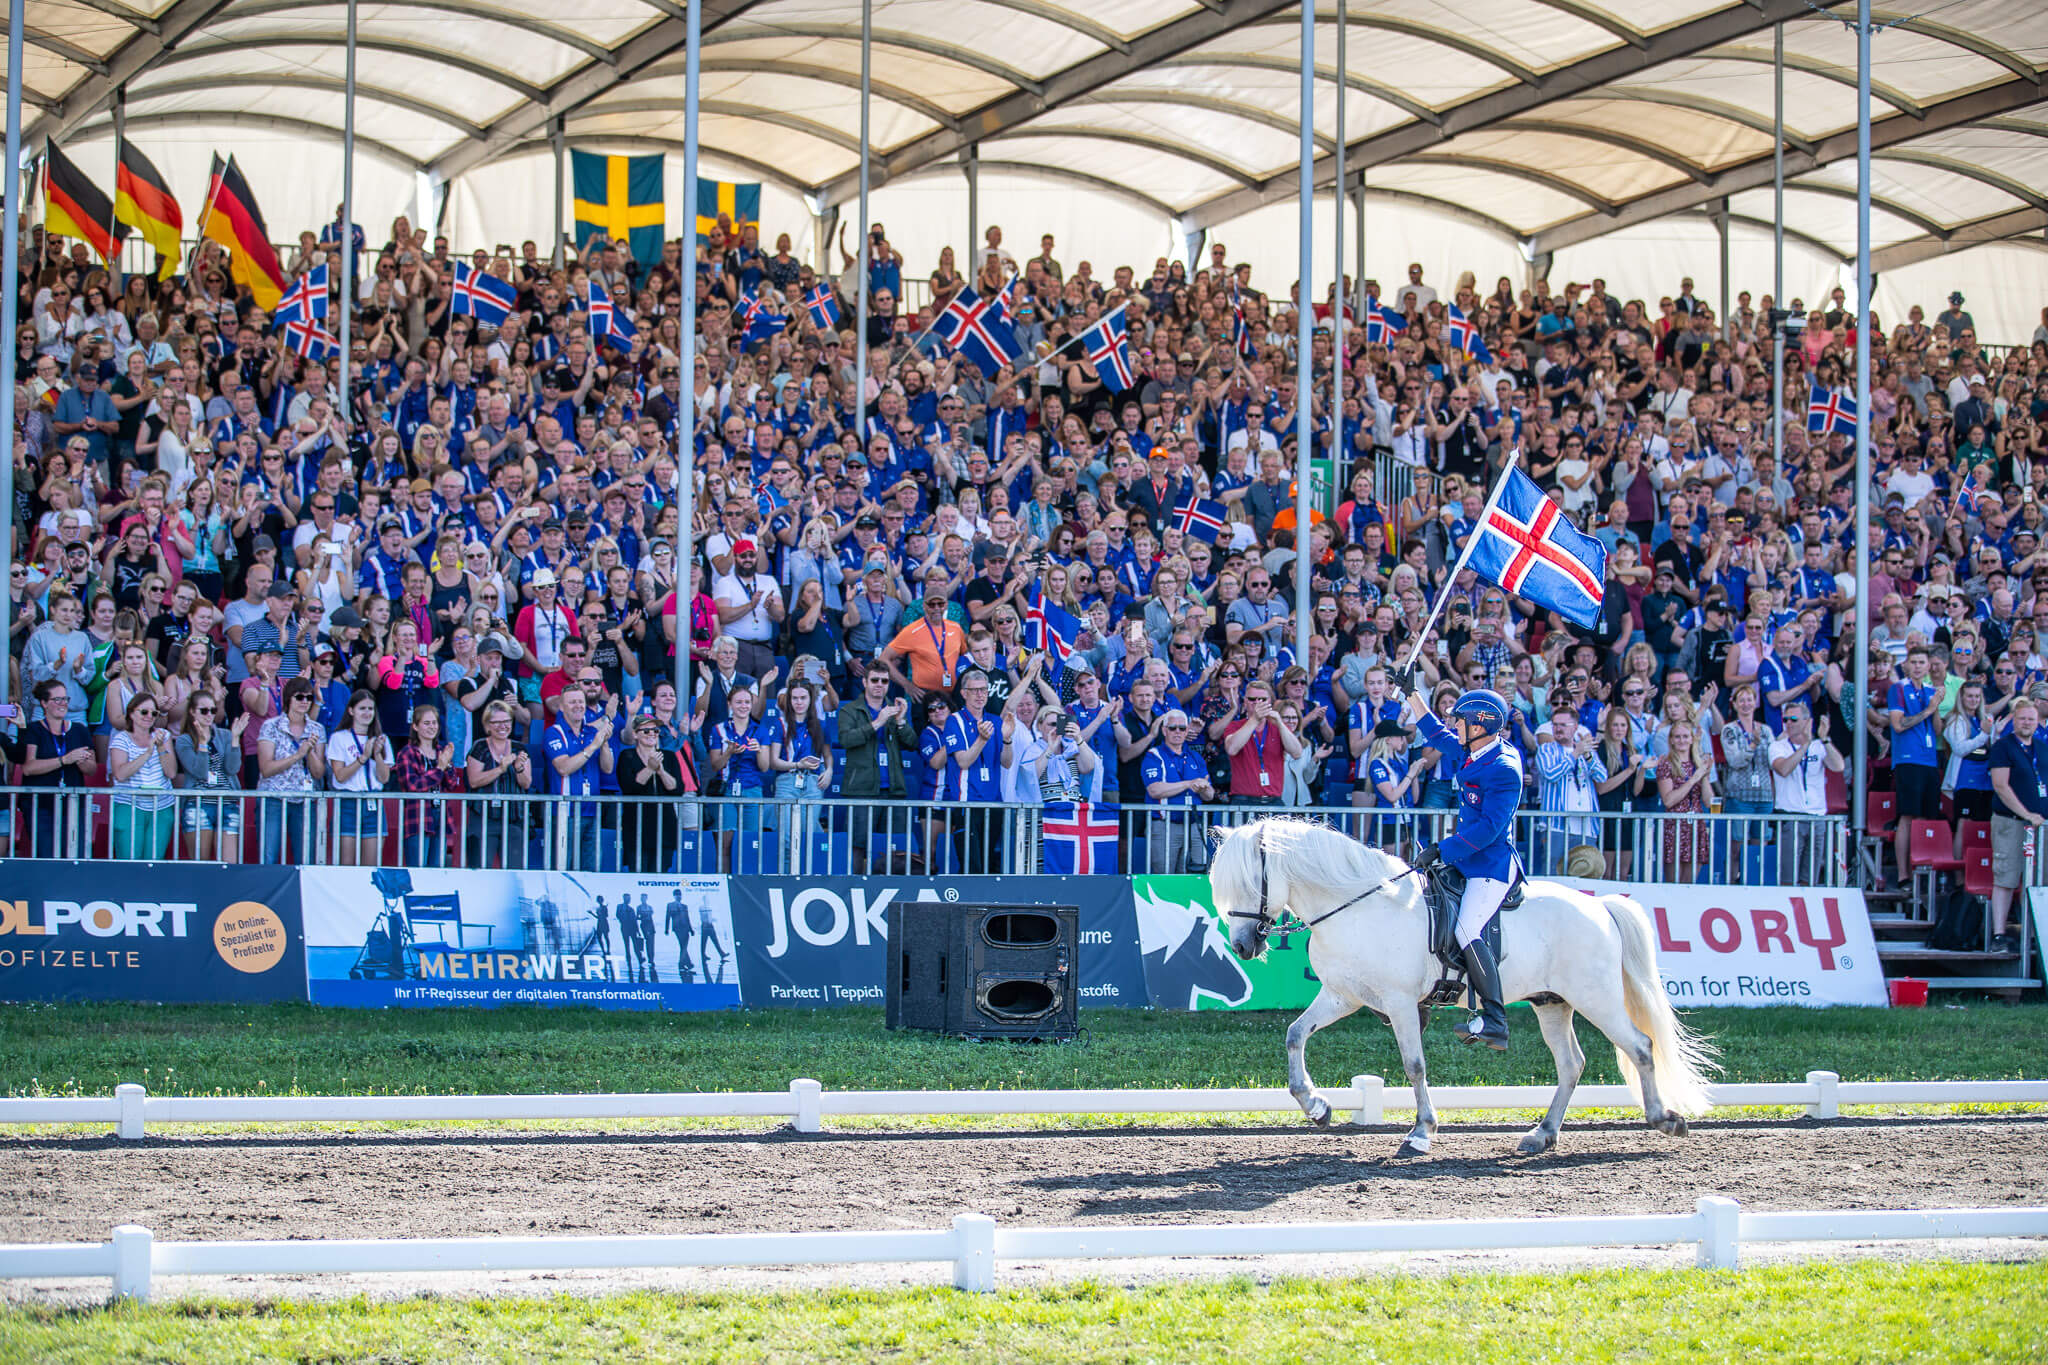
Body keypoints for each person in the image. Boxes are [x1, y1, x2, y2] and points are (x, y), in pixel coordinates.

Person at [1400, 685, 1523, 1051]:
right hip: (1465, 857)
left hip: (1490, 863)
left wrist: (1441, 849)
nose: (1455, 727)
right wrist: (1412, 693)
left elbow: (1489, 830)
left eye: (1461, 722)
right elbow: (1436, 732)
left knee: (1468, 929)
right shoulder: (1473, 750)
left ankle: (1496, 1021)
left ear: (1480, 724)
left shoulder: (1504, 768)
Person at [836, 664, 917, 871]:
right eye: (874, 680)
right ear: (864, 682)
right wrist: (877, 723)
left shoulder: (894, 710)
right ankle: (852, 889)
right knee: (857, 846)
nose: (879, 685)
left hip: (892, 790)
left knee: (894, 848)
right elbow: (846, 739)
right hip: (861, 790)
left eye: (884, 681)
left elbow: (912, 743)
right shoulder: (850, 710)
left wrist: (900, 722)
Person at [1987, 696, 2048, 956]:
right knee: (2006, 878)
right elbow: (2001, 786)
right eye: (2022, 718)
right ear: (2014, 720)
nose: (2027, 723)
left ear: (2038, 722)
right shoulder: (2003, 746)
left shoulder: (2042, 747)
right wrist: (2026, 814)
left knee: (2037, 882)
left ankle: (2034, 935)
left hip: (2040, 827)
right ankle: (1999, 936)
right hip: (2011, 823)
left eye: (2031, 719)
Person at [13, 678, 96, 857]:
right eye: (57, 699)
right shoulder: (34, 729)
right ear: (44, 703)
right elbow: (28, 768)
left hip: (73, 804)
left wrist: (81, 761)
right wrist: (64, 759)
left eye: (65, 699)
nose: (62, 704)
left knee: (75, 856)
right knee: (47, 855)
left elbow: (92, 769)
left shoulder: (80, 730)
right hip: (40, 805)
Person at [1769, 700, 1844, 885]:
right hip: (1791, 816)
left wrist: (1824, 739)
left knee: (1809, 878)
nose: (1788, 723)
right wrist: (1805, 745)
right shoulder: (1778, 746)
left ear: (1806, 721)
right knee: (1787, 878)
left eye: (1793, 719)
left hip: (1816, 816)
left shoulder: (1819, 746)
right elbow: (1784, 769)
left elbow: (1839, 766)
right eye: (1785, 719)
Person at [764, 679, 833, 872]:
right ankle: (786, 879)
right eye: (794, 698)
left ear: (811, 699)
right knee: (786, 837)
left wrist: (829, 771)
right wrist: (797, 764)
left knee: (809, 835)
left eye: (803, 698)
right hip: (787, 779)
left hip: (813, 781)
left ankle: (807, 878)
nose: (799, 702)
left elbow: (827, 755)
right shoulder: (780, 724)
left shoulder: (820, 725)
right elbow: (773, 761)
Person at [545, 680, 615, 871]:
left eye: (580, 701)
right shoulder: (554, 732)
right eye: (572, 702)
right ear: (561, 706)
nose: (578, 706)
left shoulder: (593, 731)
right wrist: (593, 746)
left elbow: (607, 768)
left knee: (590, 871)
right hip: (564, 813)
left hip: (591, 811)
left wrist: (605, 742)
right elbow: (564, 768)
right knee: (562, 870)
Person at [257, 676, 327, 863]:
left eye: (309, 698)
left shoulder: (316, 729)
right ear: (288, 699)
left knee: (306, 859)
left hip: (304, 801)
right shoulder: (270, 726)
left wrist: (309, 753)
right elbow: (266, 769)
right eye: (299, 697)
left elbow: (319, 773)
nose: (305, 701)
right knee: (268, 856)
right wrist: (297, 756)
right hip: (273, 799)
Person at [174, 689, 248, 861]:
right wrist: (201, 743)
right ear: (192, 711)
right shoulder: (184, 740)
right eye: (204, 710)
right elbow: (200, 772)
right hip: (199, 804)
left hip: (227, 802)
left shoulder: (225, 735)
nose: (209, 715)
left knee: (229, 864)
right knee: (201, 864)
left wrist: (235, 738)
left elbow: (232, 768)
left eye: (213, 710)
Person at [464, 699, 536, 867]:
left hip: (513, 820)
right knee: (480, 870)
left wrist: (518, 768)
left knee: (514, 871)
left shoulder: (520, 748)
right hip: (483, 819)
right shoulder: (479, 747)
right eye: (496, 722)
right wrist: (500, 769)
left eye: (506, 721)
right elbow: (474, 781)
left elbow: (526, 784)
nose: (502, 726)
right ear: (488, 725)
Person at [326, 689, 394, 866]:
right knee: (346, 865)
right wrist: (363, 757)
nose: (367, 713)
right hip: (348, 802)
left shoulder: (382, 739)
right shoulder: (339, 738)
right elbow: (340, 776)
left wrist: (377, 755)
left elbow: (384, 778)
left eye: (370, 709)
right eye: (362, 708)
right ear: (351, 711)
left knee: (370, 865)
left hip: (373, 803)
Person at [1140, 707, 1213, 873]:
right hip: (1165, 825)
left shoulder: (1196, 757)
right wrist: (1189, 783)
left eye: (1182, 728)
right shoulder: (1154, 755)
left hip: (1194, 825)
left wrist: (1203, 788)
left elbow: (1209, 796)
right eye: (1173, 728)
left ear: (1187, 730)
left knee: (1195, 875)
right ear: (1164, 730)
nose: (1177, 732)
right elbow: (1155, 790)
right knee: (1164, 877)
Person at [107, 692, 179, 859]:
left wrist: (160, 747)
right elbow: (120, 774)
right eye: (144, 712)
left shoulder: (163, 735)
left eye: (154, 713)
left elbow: (171, 772)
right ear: (131, 713)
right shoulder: (121, 739)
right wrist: (147, 753)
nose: (149, 716)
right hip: (129, 806)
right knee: (129, 862)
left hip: (161, 806)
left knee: (154, 862)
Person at [393, 702, 458, 866]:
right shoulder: (407, 752)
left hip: (439, 814)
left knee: (436, 868)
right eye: (426, 723)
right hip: (418, 816)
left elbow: (451, 784)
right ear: (415, 726)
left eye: (434, 722)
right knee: (418, 868)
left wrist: (447, 765)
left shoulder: (440, 751)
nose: (432, 727)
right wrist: (440, 768)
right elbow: (412, 785)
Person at [619, 713, 683, 873]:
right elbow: (630, 787)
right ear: (635, 734)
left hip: (664, 827)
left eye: (655, 730)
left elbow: (677, 789)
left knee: (660, 875)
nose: (652, 734)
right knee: (638, 874)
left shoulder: (669, 756)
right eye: (646, 731)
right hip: (636, 828)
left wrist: (660, 771)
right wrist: (649, 768)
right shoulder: (627, 756)